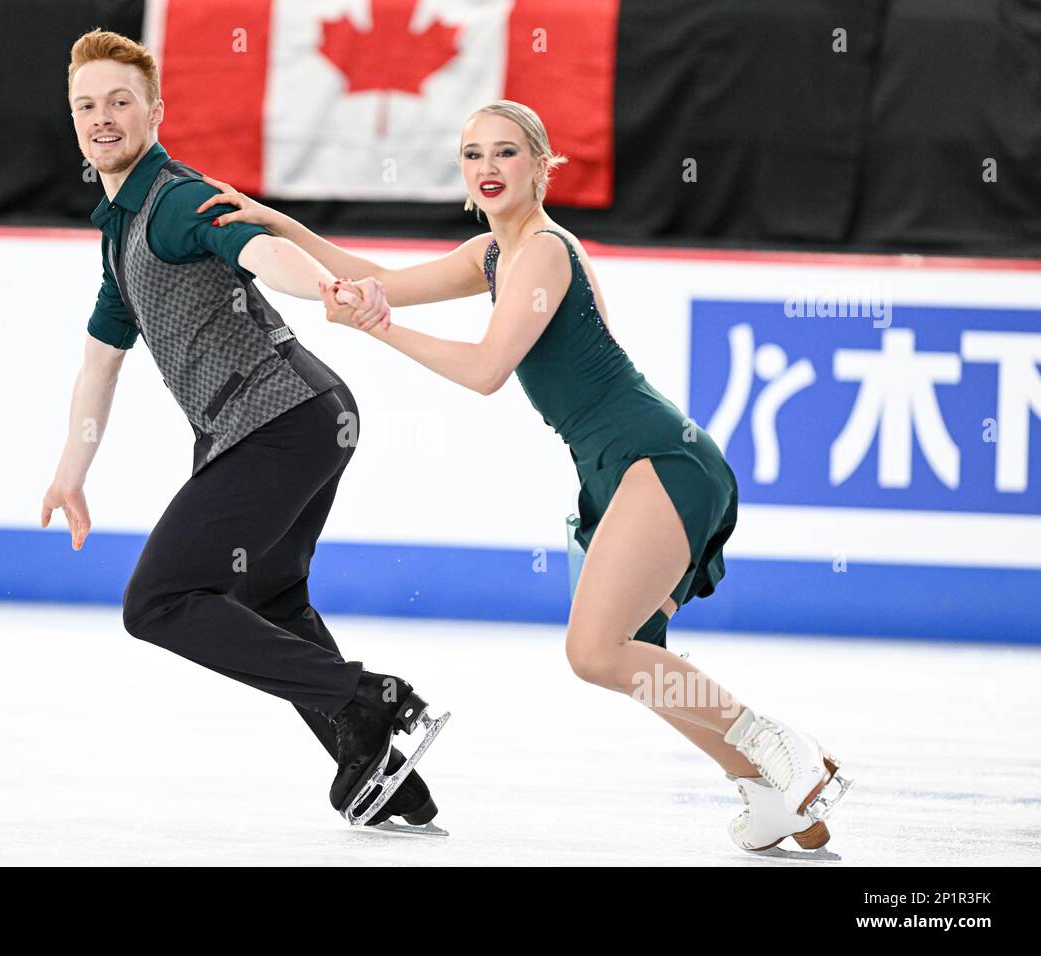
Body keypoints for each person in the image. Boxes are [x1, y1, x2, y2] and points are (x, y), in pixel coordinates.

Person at [199, 99, 852, 852]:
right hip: (616, 469)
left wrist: (378, 327)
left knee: (595, 651)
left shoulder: (541, 250)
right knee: (636, 657)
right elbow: (376, 275)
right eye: (473, 155)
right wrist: (278, 224)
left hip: (653, 456)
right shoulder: (494, 256)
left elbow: (484, 371)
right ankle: (761, 786)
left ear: (542, 165)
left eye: (506, 153)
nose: (487, 168)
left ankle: (780, 746)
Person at [39, 29, 447, 830]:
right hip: (294, 419)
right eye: (86, 105)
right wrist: (70, 471)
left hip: (282, 418)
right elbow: (99, 363)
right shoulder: (120, 227)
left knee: (157, 600)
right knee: (270, 597)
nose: (102, 117)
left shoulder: (178, 199)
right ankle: (385, 777)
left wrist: (328, 284)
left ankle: (367, 697)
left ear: (156, 110)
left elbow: (260, 249)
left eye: (121, 100)